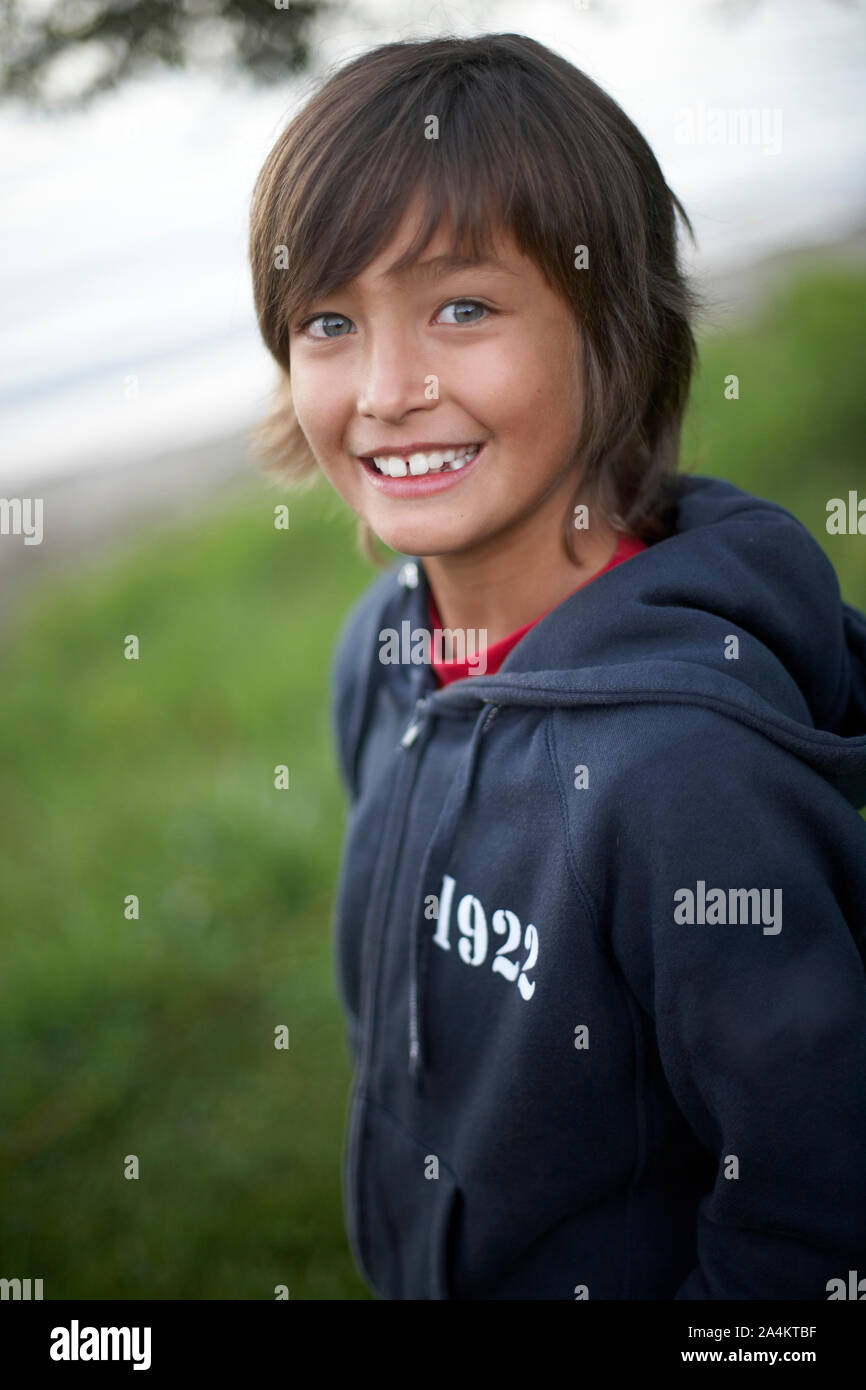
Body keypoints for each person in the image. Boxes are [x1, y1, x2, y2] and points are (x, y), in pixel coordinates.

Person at [248, 33, 866, 1299]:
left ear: (613, 329)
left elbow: (813, 1225)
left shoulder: (687, 776)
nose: (384, 388)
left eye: (460, 307)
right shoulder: (380, 652)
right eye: (326, 320)